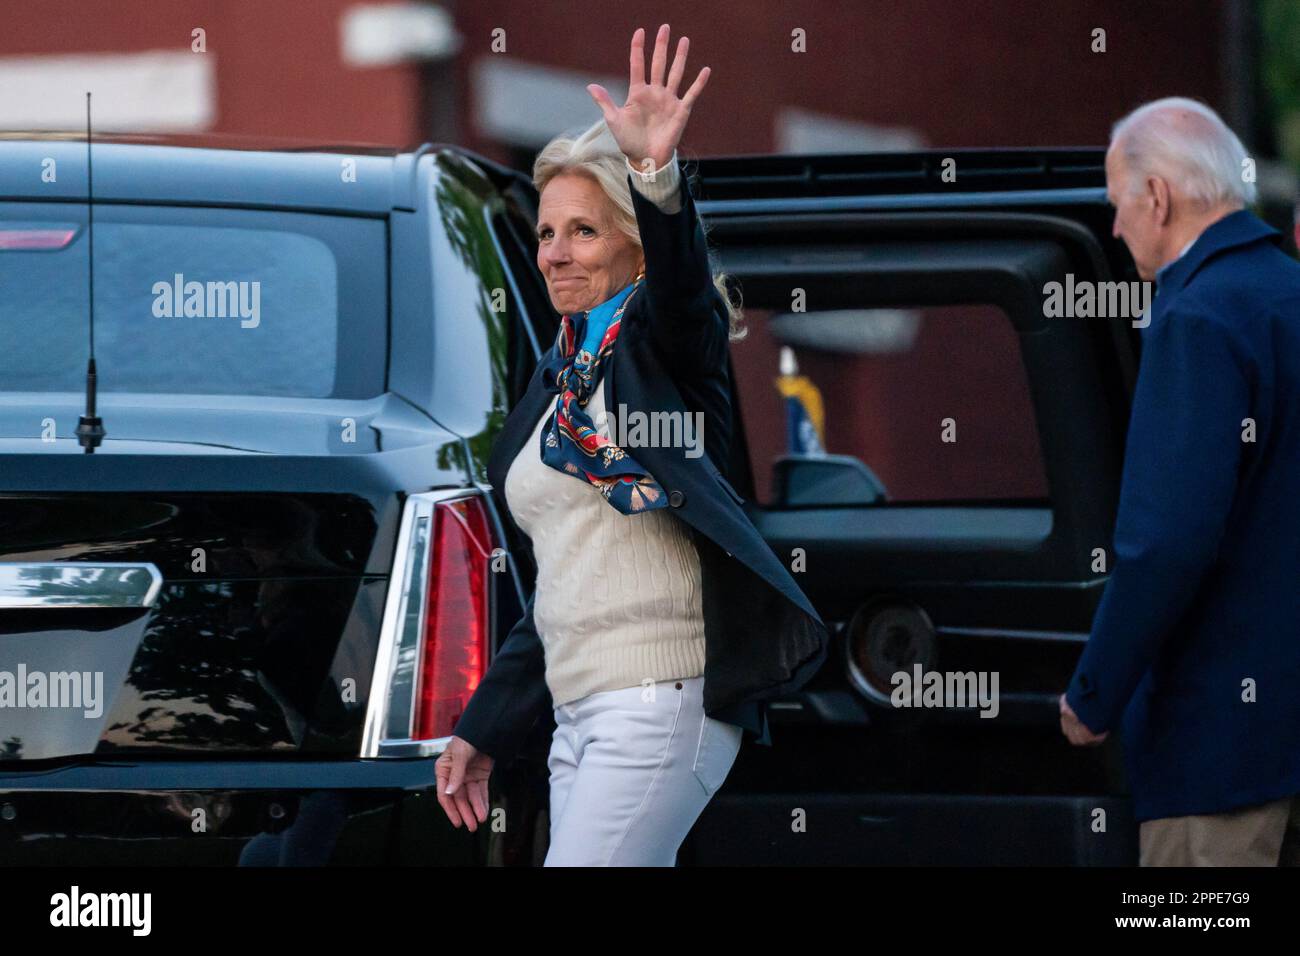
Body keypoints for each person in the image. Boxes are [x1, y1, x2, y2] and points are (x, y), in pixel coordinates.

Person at [433, 24, 829, 866]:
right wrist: (484, 727)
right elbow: (564, 581)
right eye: (545, 234)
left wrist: (656, 176)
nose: (554, 254)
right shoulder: (559, 378)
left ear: (634, 243)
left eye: (583, 231)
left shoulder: (665, 350)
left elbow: (685, 292)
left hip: (661, 703)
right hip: (579, 713)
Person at [1059, 96, 1300, 866]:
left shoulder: (1197, 316)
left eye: (1116, 204)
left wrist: (1094, 693)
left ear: (1156, 196)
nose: (1115, 226)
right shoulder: (1287, 296)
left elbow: (1166, 541)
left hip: (1219, 755)